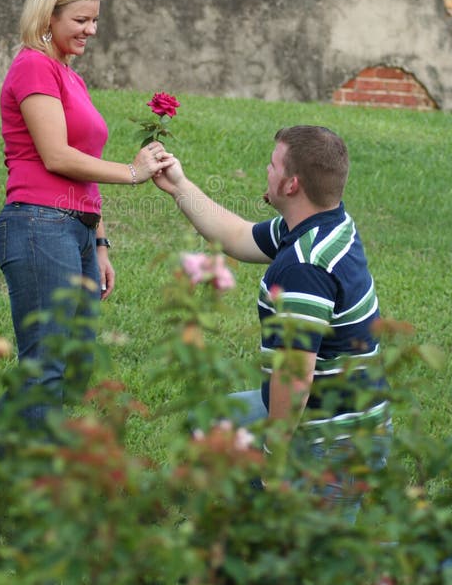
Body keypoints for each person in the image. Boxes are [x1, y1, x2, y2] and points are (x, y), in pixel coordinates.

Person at [153, 125, 391, 519]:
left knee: (308, 571)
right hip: (343, 418)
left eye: (273, 164)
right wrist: (180, 186)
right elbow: (239, 237)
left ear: (292, 183)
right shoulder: (326, 224)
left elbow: (295, 376)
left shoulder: (304, 266)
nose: (266, 170)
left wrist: (273, 460)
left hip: (337, 441)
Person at [0, 0, 174, 431]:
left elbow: (83, 165)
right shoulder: (32, 65)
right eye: (81, 20)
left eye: (94, 21)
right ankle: (16, 477)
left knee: (73, 368)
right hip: (38, 225)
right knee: (46, 367)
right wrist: (133, 172)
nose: (91, 30)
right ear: (49, 16)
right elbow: (57, 157)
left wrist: (101, 243)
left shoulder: (70, 76)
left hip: (77, 230)